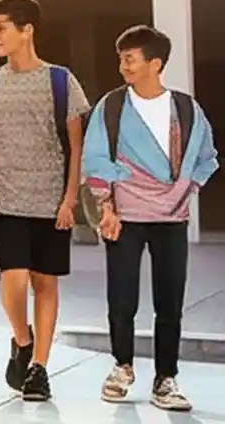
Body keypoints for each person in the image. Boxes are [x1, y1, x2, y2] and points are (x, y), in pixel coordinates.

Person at [84, 25, 217, 412]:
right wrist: (106, 205)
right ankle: (121, 367)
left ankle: (166, 379)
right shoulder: (111, 106)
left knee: (170, 301)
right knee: (121, 298)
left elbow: (206, 156)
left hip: (173, 218)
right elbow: (96, 157)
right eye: (121, 58)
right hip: (123, 217)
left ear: (155, 63)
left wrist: (186, 188)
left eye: (130, 58)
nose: (123, 65)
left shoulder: (186, 109)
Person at [0, 0, 89, 402]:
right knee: (14, 278)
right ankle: (22, 339)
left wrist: (69, 200)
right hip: (6, 198)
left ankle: (39, 368)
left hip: (52, 201)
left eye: (1, 28)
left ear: (27, 30)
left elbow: (76, 146)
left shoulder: (61, 81)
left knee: (45, 282)